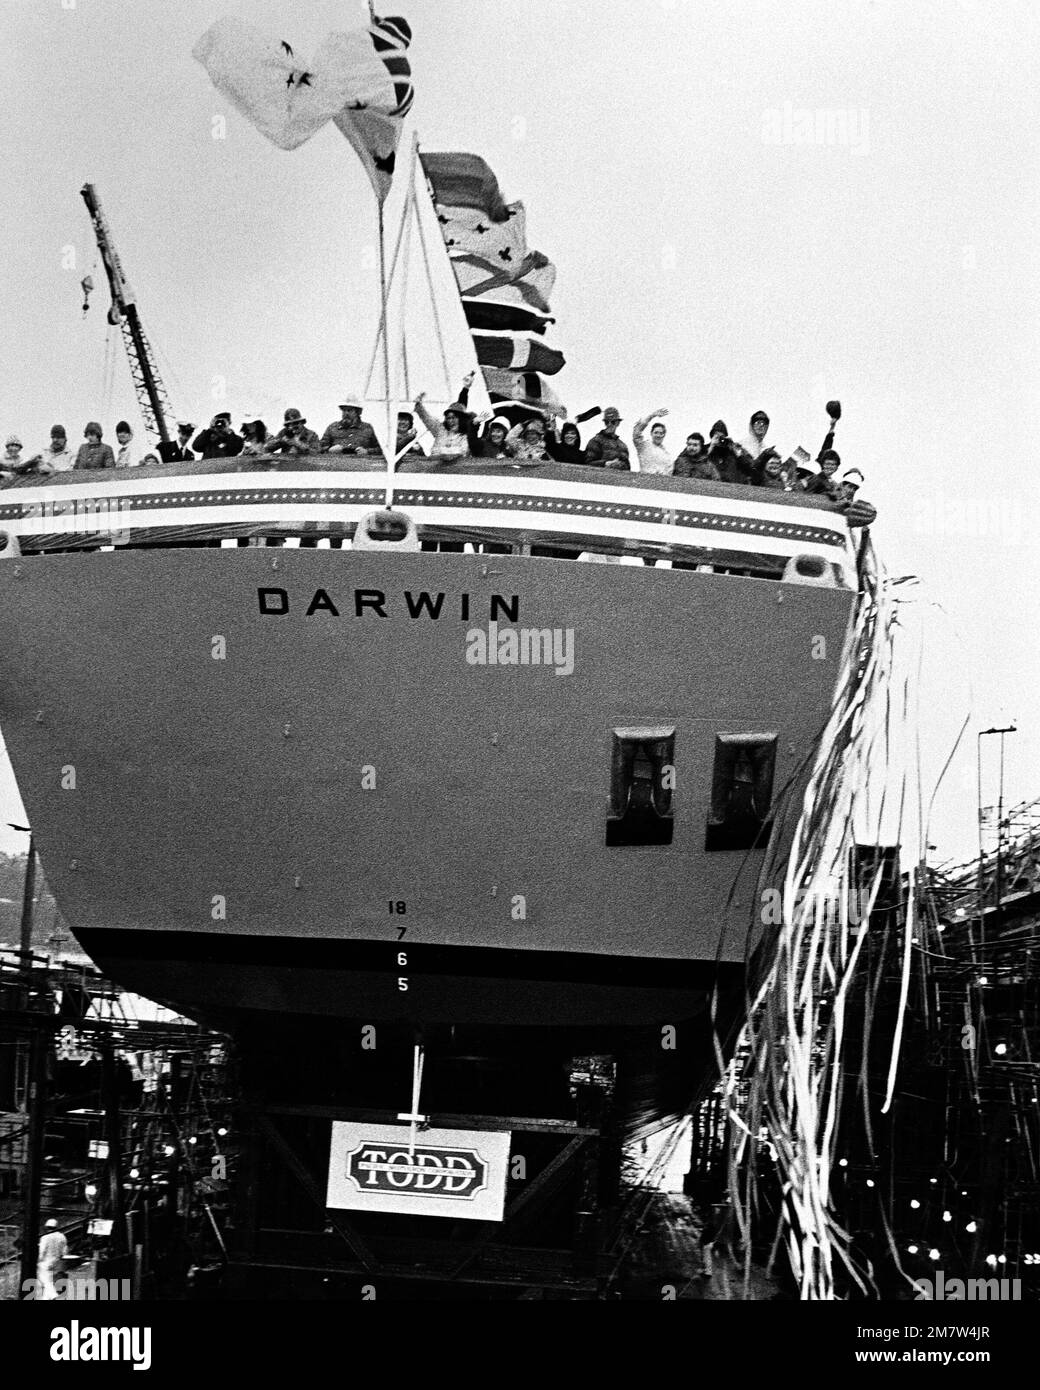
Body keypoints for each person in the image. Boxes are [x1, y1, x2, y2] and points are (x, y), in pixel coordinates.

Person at [413, 381, 476, 460]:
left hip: (457, 469)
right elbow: (426, 418)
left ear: (461, 419)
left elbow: (463, 451)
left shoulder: (466, 436)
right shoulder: (440, 430)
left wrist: (444, 453)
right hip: (434, 468)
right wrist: (418, 404)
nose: (451, 421)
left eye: (454, 417)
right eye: (448, 418)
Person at [632, 408, 673, 475]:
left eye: (661, 433)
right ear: (651, 433)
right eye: (656, 432)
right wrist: (652, 416)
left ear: (664, 435)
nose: (658, 435)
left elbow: (669, 473)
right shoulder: (643, 446)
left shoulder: (666, 454)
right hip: (645, 481)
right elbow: (636, 432)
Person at [37, 1218, 68, 1301]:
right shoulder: (62, 1237)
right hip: (57, 1262)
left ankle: (54, 1295)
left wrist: (39, 1260)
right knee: (49, 1281)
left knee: (45, 1280)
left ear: (47, 1227)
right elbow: (64, 1251)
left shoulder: (45, 1237)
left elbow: (42, 1251)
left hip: (46, 1262)